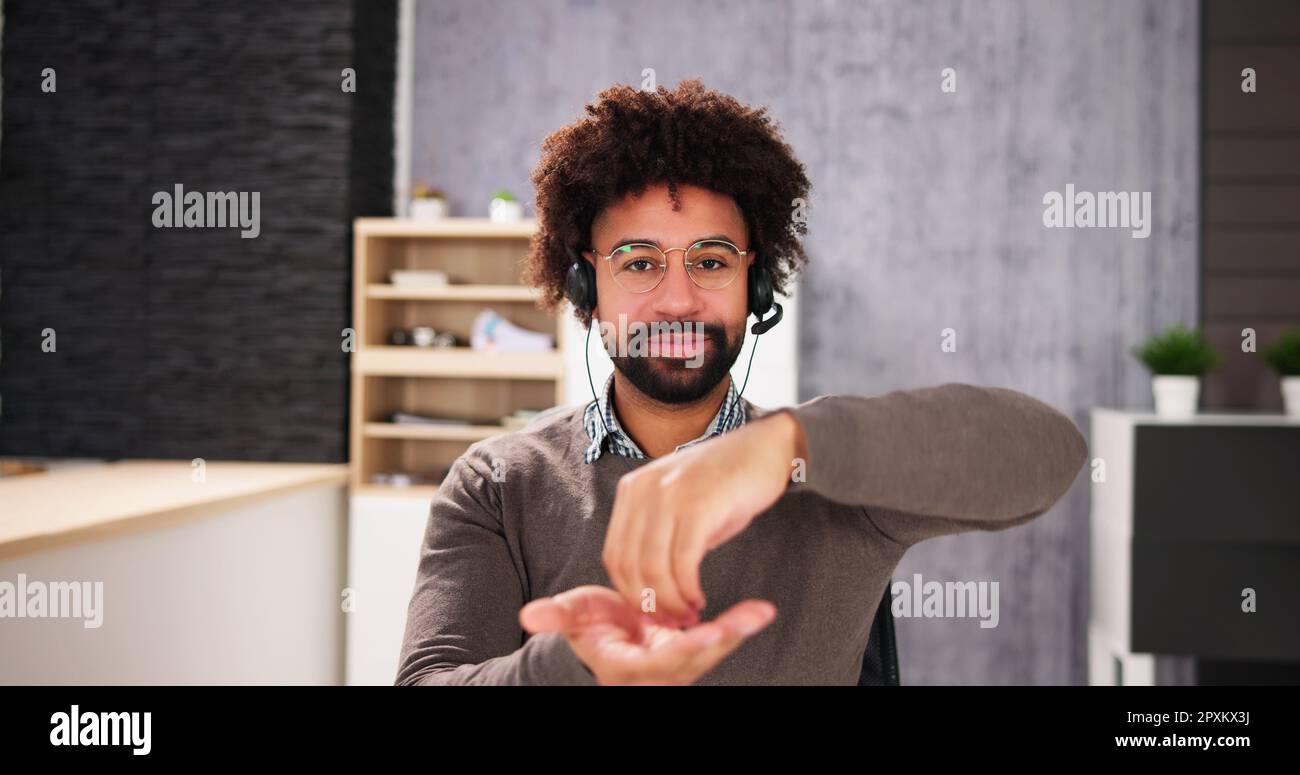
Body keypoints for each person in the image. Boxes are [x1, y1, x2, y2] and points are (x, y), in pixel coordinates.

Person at [395, 79, 1088, 686]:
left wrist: (784, 444)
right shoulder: (497, 484)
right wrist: (577, 666)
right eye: (638, 263)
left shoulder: (830, 480)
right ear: (585, 284)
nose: (676, 300)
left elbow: (1048, 451)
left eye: (711, 261)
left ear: (755, 284)